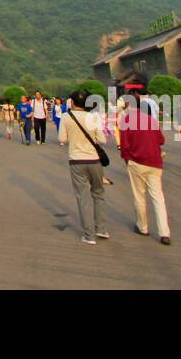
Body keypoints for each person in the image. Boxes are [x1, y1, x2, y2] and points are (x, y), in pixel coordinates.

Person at [119, 96, 171, 245]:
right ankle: (164, 232)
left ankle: (143, 227)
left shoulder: (127, 121)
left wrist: (127, 159)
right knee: (158, 197)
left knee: (139, 196)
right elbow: (161, 140)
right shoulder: (151, 121)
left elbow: (124, 144)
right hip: (154, 162)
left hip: (136, 162)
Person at [60, 90, 108, 244]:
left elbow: (62, 138)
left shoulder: (66, 117)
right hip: (94, 160)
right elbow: (102, 139)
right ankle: (101, 229)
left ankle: (89, 235)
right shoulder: (93, 117)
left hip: (77, 160)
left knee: (83, 197)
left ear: (72, 103)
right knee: (98, 194)